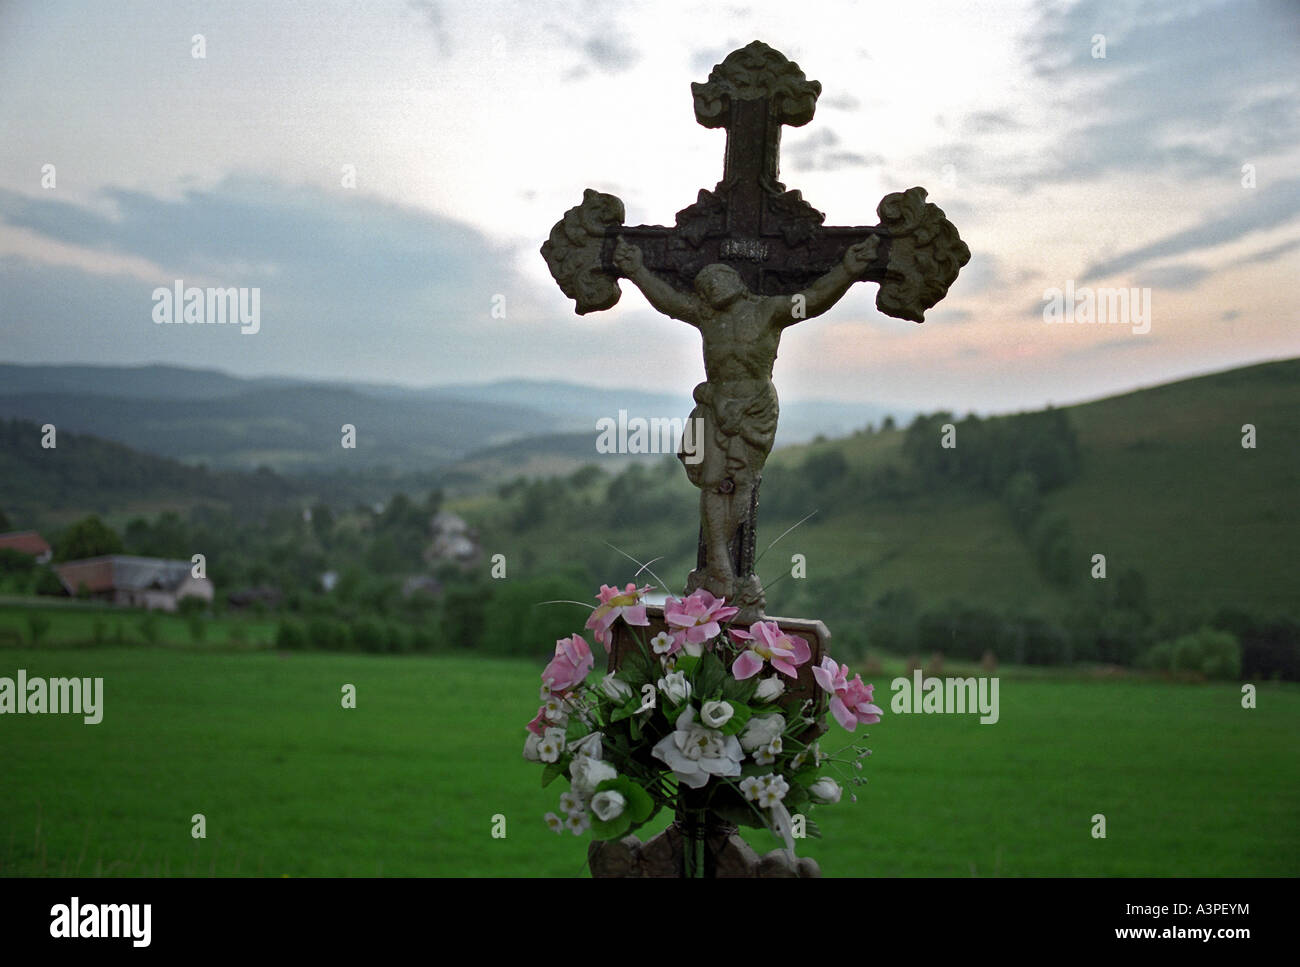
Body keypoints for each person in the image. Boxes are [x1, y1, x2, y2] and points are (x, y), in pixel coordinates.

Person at [612, 235, 878, 614]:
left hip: (754, 406)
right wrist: (637, 270)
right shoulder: (708, 315)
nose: (711, 285)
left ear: (736, 281)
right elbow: (669, 301)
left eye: (718, 278)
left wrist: (848, 270)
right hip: (714, 403)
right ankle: (720, 565)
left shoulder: (768, 311)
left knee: (739, 480)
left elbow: (813, 300)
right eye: (705, 284)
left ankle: (722, 568)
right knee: (711, 480)